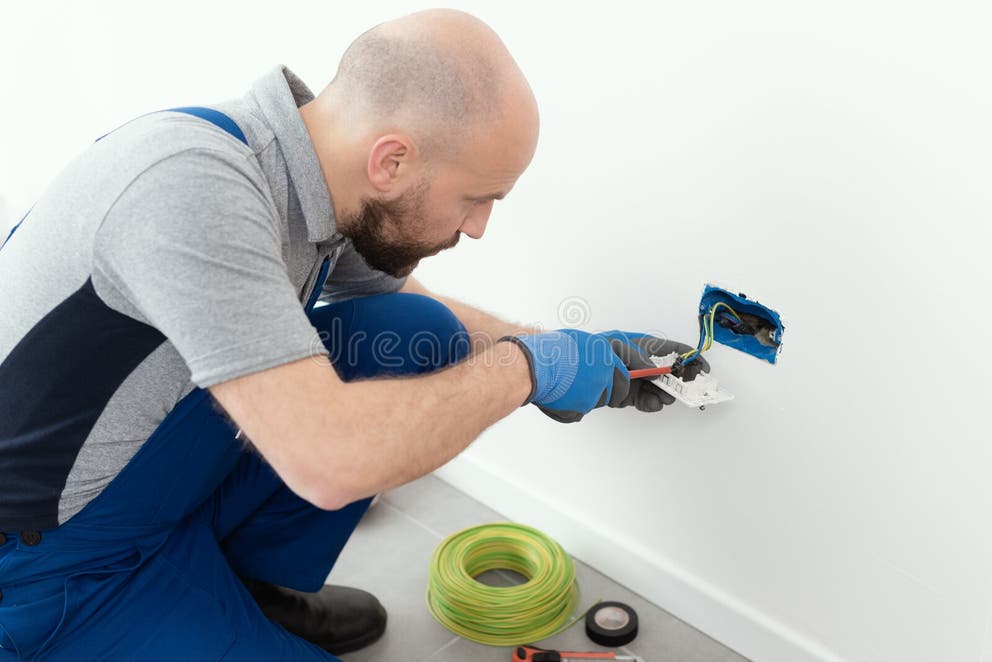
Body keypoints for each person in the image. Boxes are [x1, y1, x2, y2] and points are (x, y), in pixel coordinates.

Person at [0, 9, 702, 661]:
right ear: (391, 162)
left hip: (148, 471)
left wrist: (572, 351)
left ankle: (246, 584)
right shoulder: (192, 191)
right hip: (49, 565)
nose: (479, 225)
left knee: (416, 331)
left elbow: (413, 303)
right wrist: (527, 369)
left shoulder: (304, 172)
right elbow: (328, 463)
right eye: (477, 197)